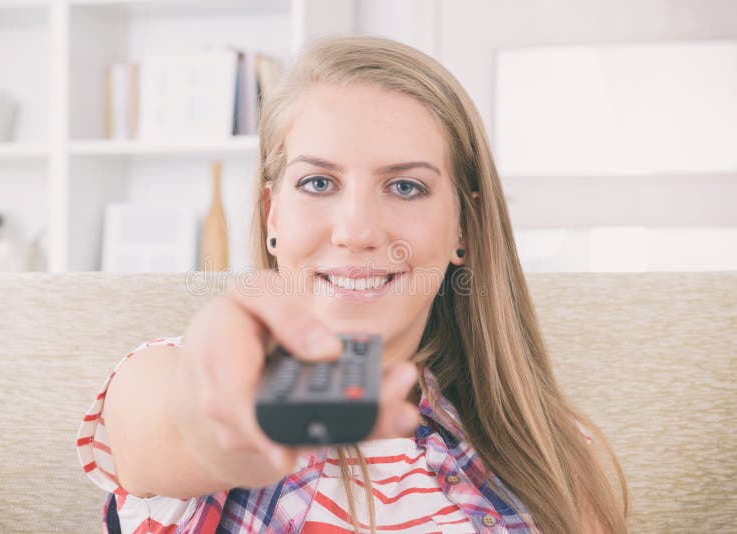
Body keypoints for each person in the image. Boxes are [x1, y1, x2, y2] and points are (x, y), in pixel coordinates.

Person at [77, 35, 629, 533]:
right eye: (318, 182)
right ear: (272, 216)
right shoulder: (157, 375)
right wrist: (240, 417)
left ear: (464, 225)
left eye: (406, 187)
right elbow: (186, 427)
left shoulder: (546, 456)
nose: (357, 231)